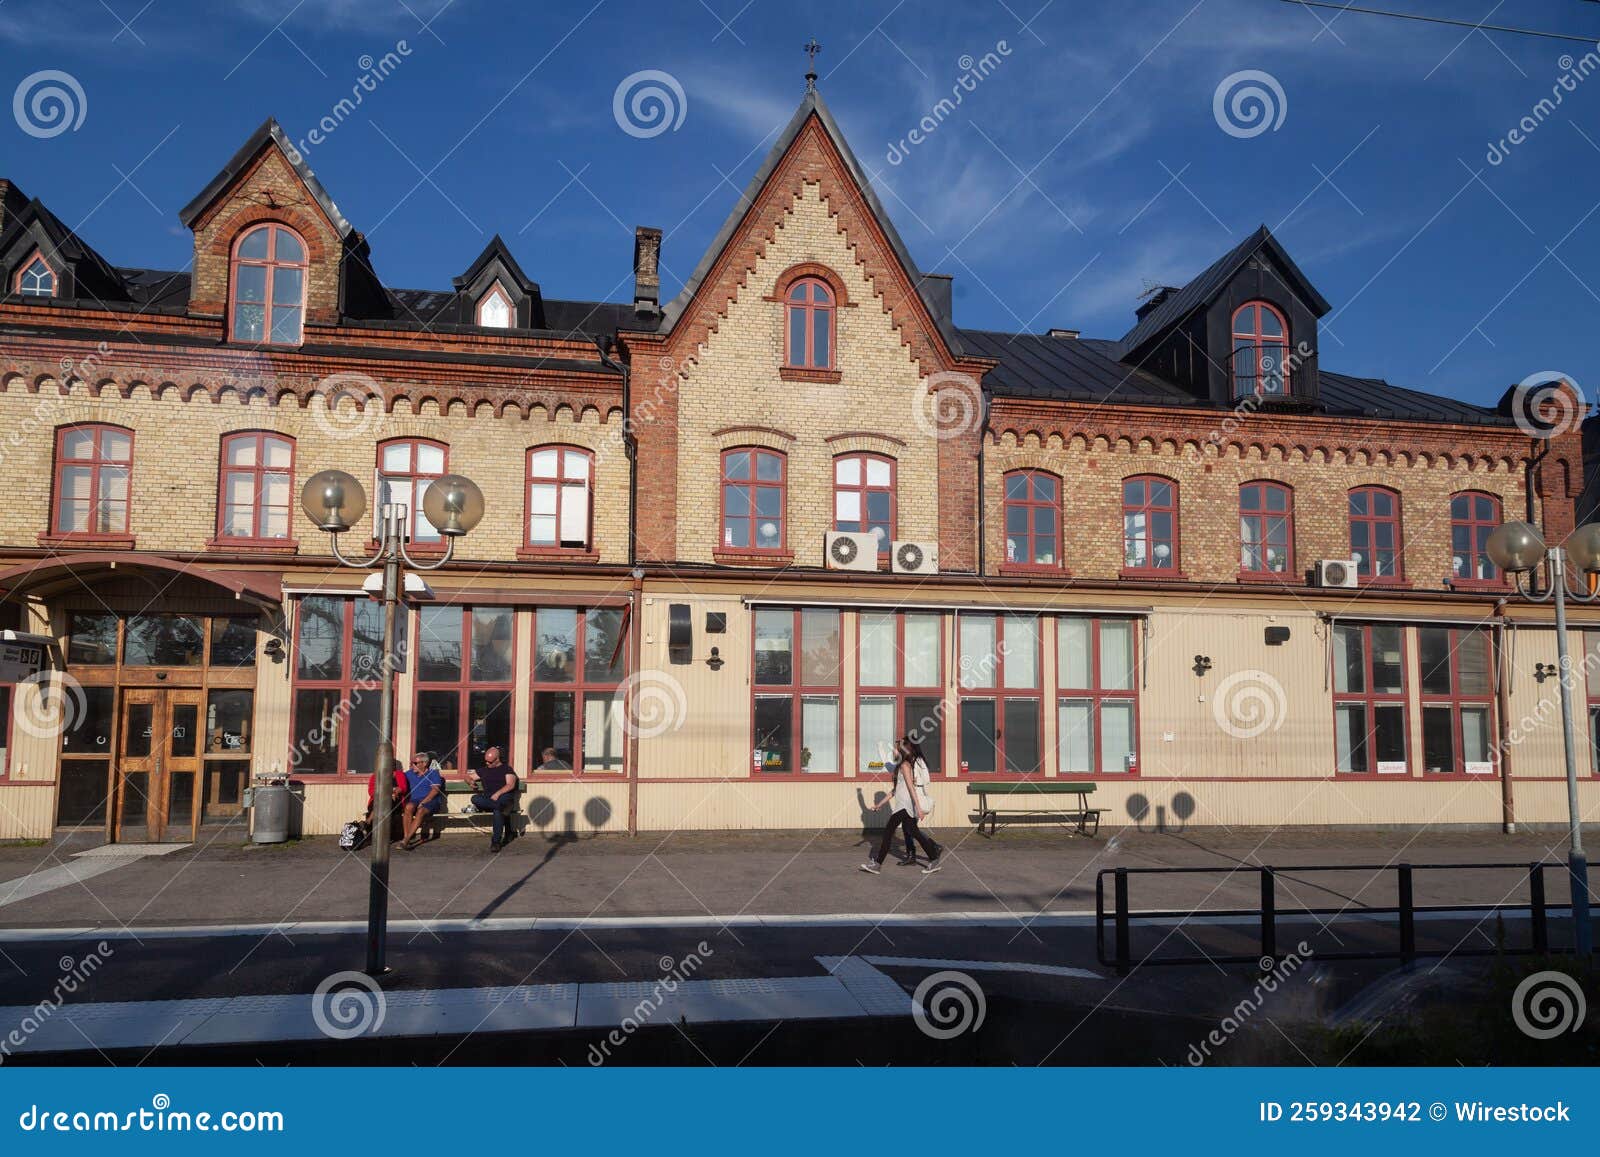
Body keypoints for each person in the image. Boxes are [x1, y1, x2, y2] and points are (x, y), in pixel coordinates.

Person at [860, 736, 942, 875]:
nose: (894, 750)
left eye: (897, 748)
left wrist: (919, 808)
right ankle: (934, 858)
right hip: (904, 805)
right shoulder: (901, 766)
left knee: (888, 832)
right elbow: (895, 791)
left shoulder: (905, 766)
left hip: (905, 806)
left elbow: (911, 788)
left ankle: (877, 864)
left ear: (904, 750)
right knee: (914, 832)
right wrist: (879, 804)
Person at [463, 745, 519, 852]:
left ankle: (495, 842)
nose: (487, 763)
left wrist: (498, 794)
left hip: (503, 798)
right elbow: (467, 776)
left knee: (498, 811)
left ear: (497, 759)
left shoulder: (507, 769)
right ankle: (502, 809)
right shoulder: (484, 770)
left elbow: (510, 785)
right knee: (475, 798)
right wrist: (471, 782)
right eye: (486, 761)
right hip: (490, 801)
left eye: (489, 762)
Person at [399, 751, 446, 850]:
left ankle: (405, 840)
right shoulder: (409, 774)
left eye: (415, 763)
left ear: (424, 763)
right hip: (414, 800)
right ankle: (407, 837)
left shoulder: (433, 773)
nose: (412, 765)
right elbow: (398, 779)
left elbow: (435, 790)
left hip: (431, 801)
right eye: (411, 763)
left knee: (420, 811)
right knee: (408, 807)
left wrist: (423, 802)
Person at [364, 760, 408, 842]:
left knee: (386, 804)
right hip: (377, 800)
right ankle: (375, 835)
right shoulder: (375, 776)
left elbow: (403, 788)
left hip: (395, 801)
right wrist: (391, 791)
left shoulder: (399, 774)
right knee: (382, 803)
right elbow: (371, 792)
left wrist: (386, 791)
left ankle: (369, 821)